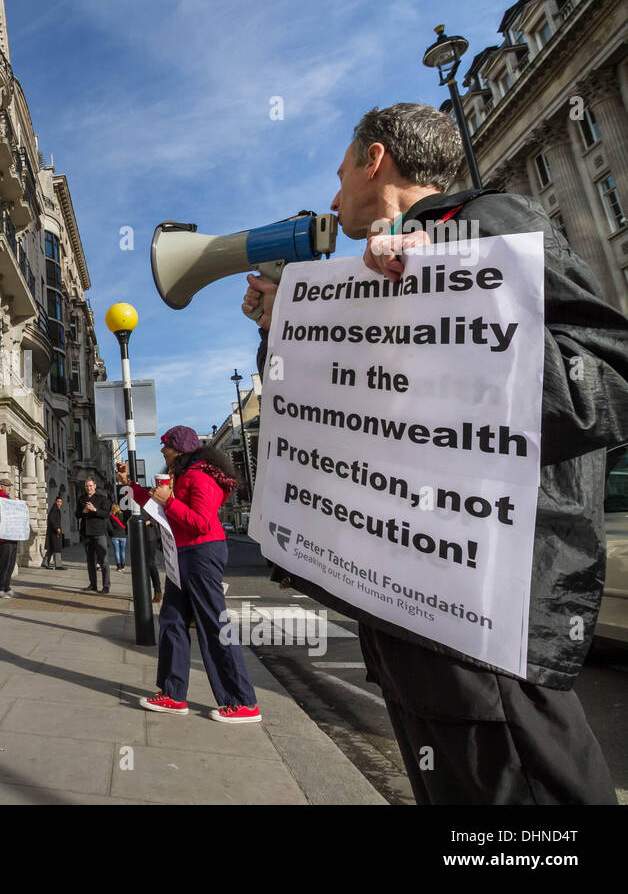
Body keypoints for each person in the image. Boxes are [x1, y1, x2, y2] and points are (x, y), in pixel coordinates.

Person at [242, 102, 628, 802]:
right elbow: (337, 418)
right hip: (406, 610)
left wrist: (448, 299)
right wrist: (282, 329)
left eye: (339, 173)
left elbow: (606, 380)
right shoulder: (373, 272)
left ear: (375, 159)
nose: (332, 199)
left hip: (484, 618)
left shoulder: (491, 224)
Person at [120, 427, 260, 724]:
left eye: (166, 447)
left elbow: (199, 522)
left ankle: (243, 701)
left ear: (179, 451)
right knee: (171, 620)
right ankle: (173, 694)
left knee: (213, 625)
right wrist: (129, 485)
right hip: (182, 556)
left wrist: (169, 500)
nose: (162, 452)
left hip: (201, 554)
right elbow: (160, 508)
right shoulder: (183, 476)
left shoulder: (198, 477)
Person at [77, 477, 110, 593]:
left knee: (104, 560)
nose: (89, 488)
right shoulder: (81, 499)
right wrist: (83, 512)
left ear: (95, 486)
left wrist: (94, 509)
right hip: (86, 533)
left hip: (99, 533)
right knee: (90, 561)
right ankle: (93, 584)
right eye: (87, 486)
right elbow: (77, 515)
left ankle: (106, 586)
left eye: (90, 486)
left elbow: (106, 514)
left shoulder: (102, 498)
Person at [0, 477, 18, 599]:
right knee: (3, 563)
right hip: (2, 536)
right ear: (0, 486)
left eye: (10, 486)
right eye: (7, 485)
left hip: (12, 534)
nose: (9, 488)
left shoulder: (8, 499)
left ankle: (7, 586)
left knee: (11, 563)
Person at [43, 496, 65, 569]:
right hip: (54, 532)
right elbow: (51, 519)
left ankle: (45, 563)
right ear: (55, 502)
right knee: (57, 548)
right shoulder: (54, 509)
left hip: (53, 532)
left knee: (52, 548)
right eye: (58, 501)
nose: (59, 503)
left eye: (60, 502)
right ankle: (58, 565)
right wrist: (57, 528)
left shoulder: (56, 509)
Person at [109, 502, 127, 569]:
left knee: (116, 551)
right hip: (122, 534)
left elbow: (110, 526)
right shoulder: (122, 514)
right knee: (123, 551)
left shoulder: (110, 516)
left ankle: (118, 566)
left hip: (114, 535)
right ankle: (123, 565)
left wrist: (111, 533)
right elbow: (125, 523)